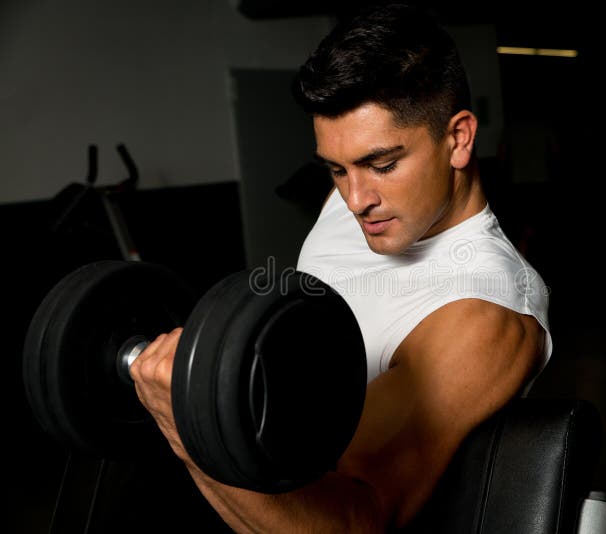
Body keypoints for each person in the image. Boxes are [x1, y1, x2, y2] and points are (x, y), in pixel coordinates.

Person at [130, 3, 553, 532]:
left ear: (459, 139)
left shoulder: (484, 313)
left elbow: (351, 521)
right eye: (336, 169)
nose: (355, 200)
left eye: (383, 164)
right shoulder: (367, 202)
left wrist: (184, 422)